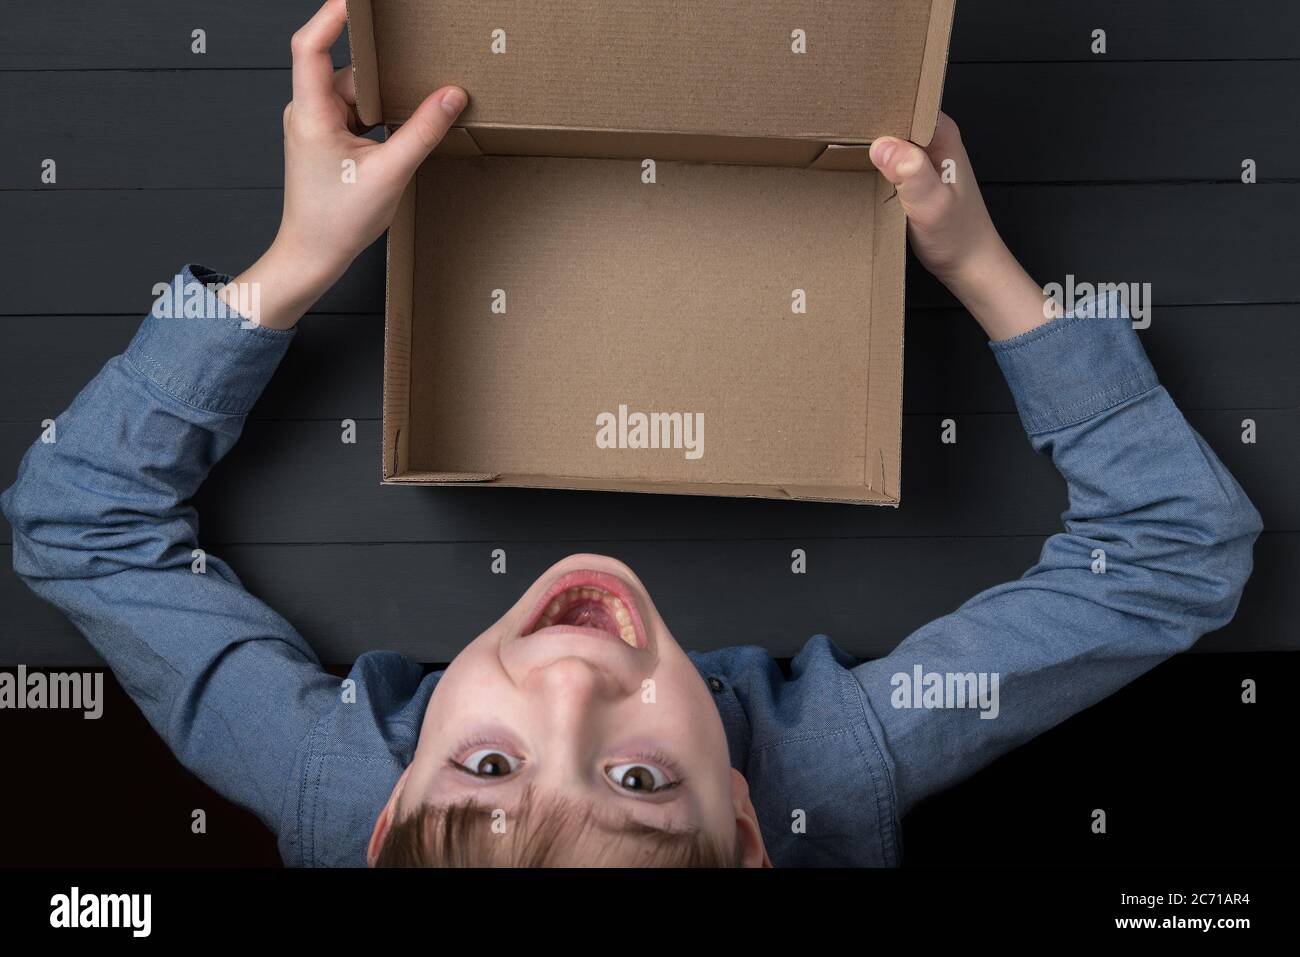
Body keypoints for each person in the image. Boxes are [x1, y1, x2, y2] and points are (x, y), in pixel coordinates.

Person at [1, 0, 1261, 867]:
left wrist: (295, 259)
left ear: (387, 825)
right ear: (754, 831)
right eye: (643, 784)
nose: (569, 686)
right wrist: (978, 261)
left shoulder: (340, 790)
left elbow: (78, 530)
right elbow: (1173, 555)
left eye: (488, 766)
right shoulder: (816, 773)